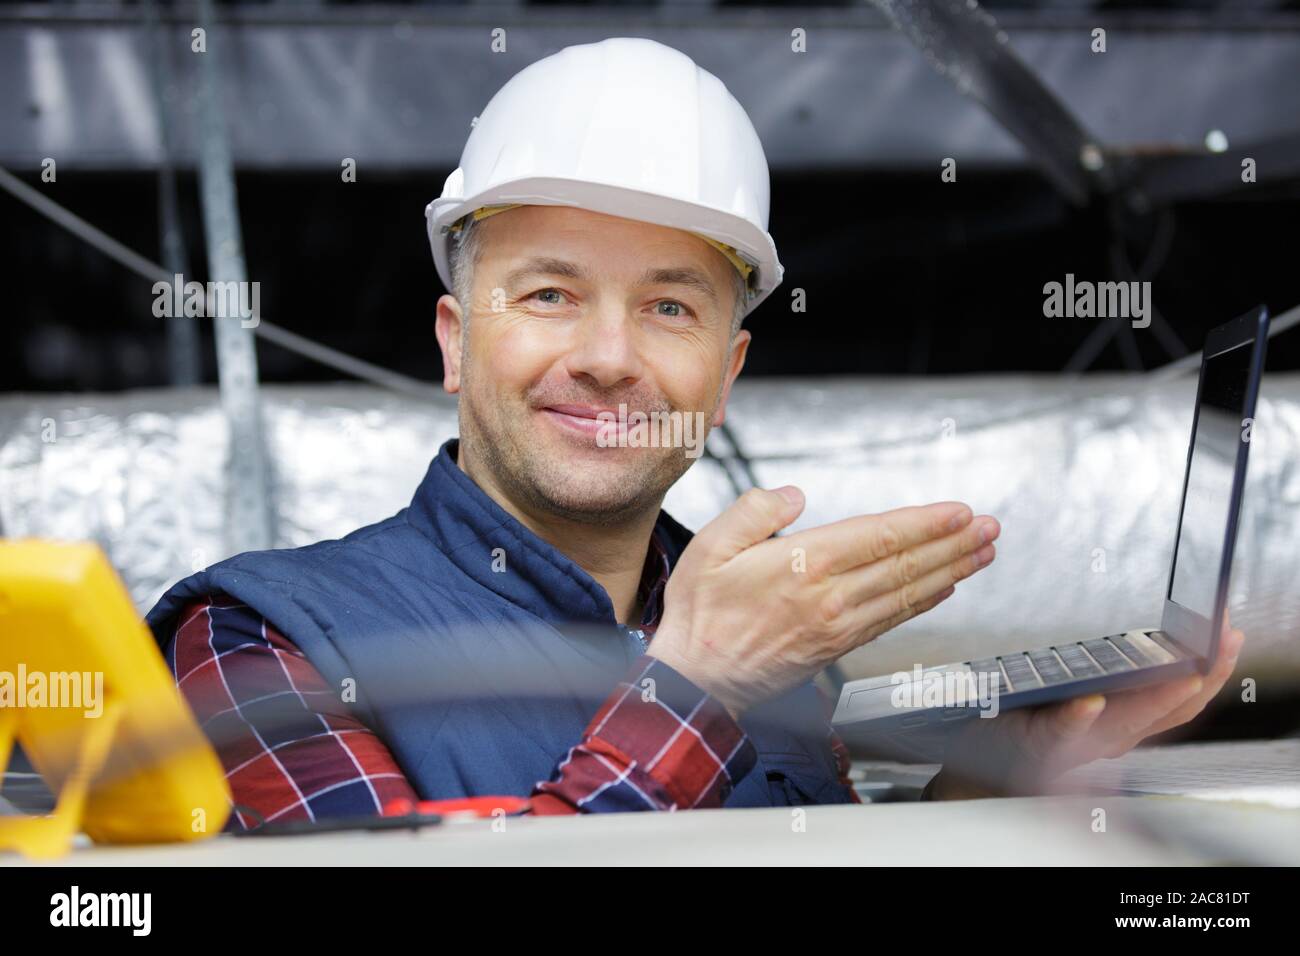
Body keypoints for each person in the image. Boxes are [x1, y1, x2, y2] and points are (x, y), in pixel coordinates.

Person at [146, 37, 1244, 826]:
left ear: (723, 377)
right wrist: (696, 687)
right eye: (547, 295)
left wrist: (1006, 773)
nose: (610, 354)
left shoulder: (772, 641)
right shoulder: (256, 639)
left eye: (669, 306)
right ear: (452, 341)